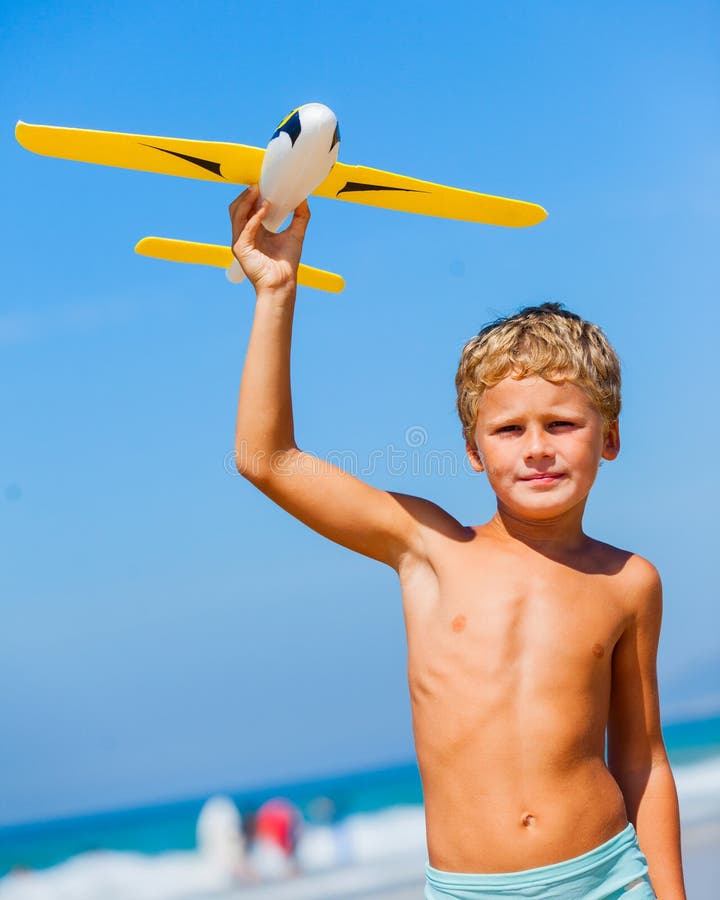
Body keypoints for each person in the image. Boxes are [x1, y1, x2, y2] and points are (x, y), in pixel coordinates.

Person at [228, 185, 686, 899]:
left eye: (561, 424)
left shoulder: (629, 581)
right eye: (508, 430)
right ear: (474, 451)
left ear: (611, 437)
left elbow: (642, 760)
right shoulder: (429, 549)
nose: (536, 448)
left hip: (608, 877)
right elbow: (269, 459)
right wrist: (277, 290)